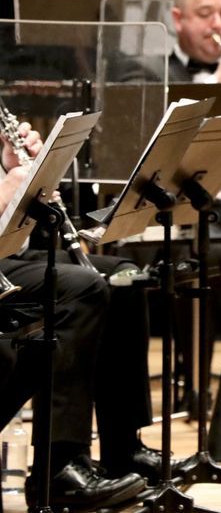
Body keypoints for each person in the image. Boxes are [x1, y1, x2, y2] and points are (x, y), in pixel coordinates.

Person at [0, 122, 150, 509]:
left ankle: (123, 451)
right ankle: (58, 466)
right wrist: (6, 194)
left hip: (7, 256)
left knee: (124, 276)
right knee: (82, 288)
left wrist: (16, 172)